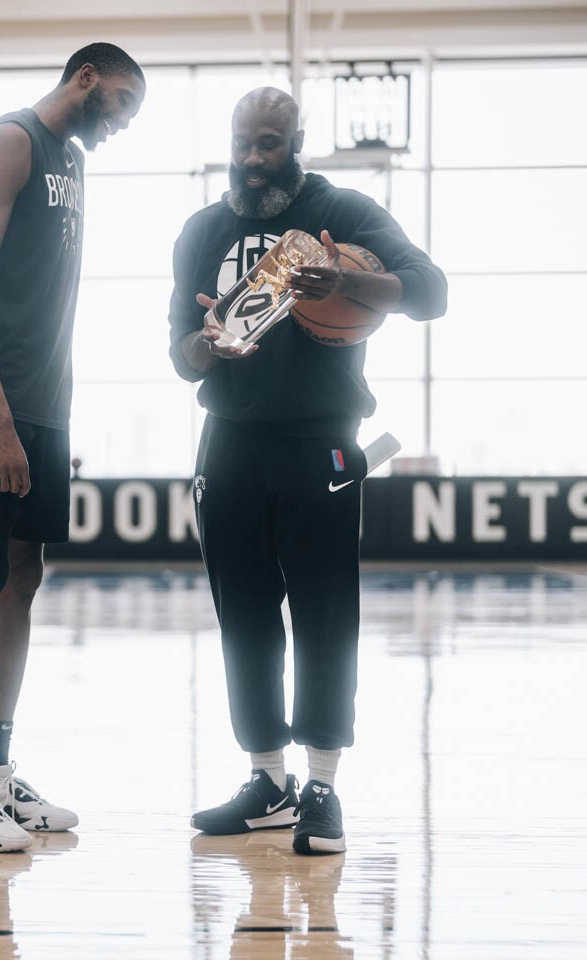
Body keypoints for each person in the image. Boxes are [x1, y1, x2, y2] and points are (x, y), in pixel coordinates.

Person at [169, 87, 446, 855]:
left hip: (322, 440)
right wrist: (209, 343)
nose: (256, 159)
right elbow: (179, 357)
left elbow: (432, 294)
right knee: (245, 617)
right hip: (226, 440)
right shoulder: (202, 230)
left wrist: (347, 282)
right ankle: (267, 781)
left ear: (298, 141)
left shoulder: (345, 213)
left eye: (272, 142)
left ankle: (322, 786)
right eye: (245, 143)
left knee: (324, 614)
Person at [0, 43, 145, 852]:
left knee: (25, 570)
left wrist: (43, 410)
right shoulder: (10, 141)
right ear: (86, 76)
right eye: (120, 102)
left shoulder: (72, 164)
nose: (121, 122)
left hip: (41, 400)